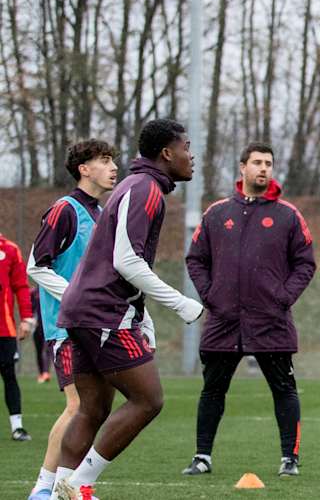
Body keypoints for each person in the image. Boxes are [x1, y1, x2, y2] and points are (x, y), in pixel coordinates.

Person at [52, 118, 206, 500]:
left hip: (84, 310)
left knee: (92, 409)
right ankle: (77, 484)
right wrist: (181, 303)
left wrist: (143, 315)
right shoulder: (147, 189)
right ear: (167, 153)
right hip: (102, 313)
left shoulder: (136, 186)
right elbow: (127, 261)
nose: (192, 156)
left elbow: (113, 260)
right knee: (148, 400)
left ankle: (54, 493)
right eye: (187, 147)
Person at [181, 142, 316, 478]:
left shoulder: (288, 215)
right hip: (223, 320)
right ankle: (202, 457)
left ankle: (289, 459)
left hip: (271, 321)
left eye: (268, 163)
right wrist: (211, 295)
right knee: (212, 389)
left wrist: (283, 297)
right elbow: (195, 259)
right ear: (242, 168)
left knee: (284, 389)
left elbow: (305, 263)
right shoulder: (217, 213)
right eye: (257, 162)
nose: (263, 168)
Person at [24, 139, 118, 500]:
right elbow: (38, 266)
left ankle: (69, 485)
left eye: (114, 160)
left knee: (94, 408)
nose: (113, 168)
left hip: (95, 326)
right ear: (83, 168)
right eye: (105, 160)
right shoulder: (64, 210)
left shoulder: (99, 213)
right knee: (78, 406)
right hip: (65, 326)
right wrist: (77, 298)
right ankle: (44, 488)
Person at [1, 230, 34, 442]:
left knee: (9, 375)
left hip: (4, 329)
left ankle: (17, 427)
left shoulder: (10, 249)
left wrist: (26, 319)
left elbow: (21, 286)